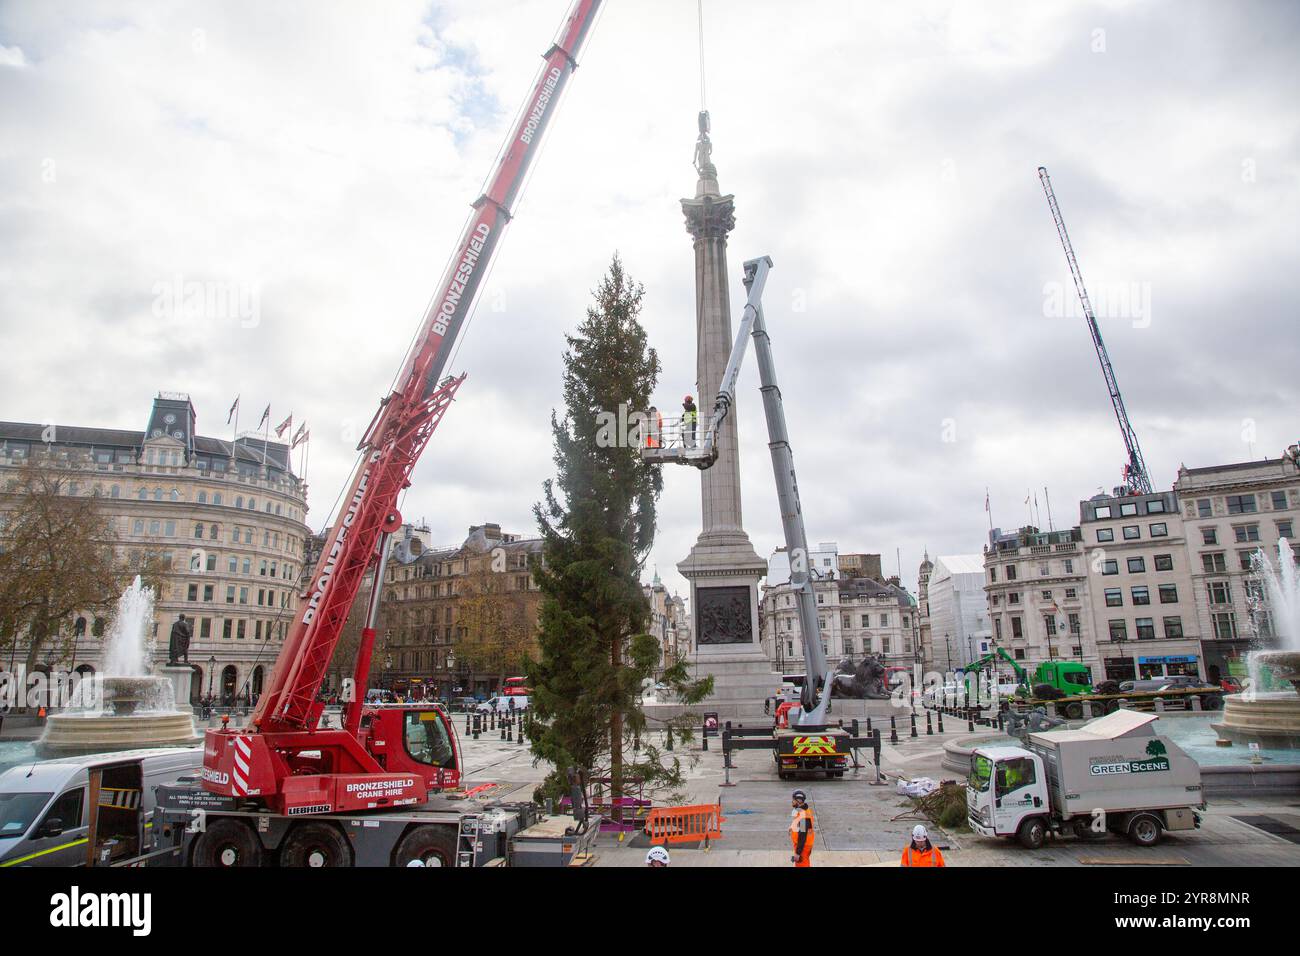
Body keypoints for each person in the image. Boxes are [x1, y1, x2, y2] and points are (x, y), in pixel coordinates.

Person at [790, 789, 815, 867]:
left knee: (802, 865)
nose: (792, 802)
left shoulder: (804, 816)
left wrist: (798, 853)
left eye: (793, 800)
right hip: (803, 845)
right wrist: (792, 826)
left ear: (799, 801)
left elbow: (802, 836)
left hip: (803, 847)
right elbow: (798, 822)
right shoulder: (803, 809)